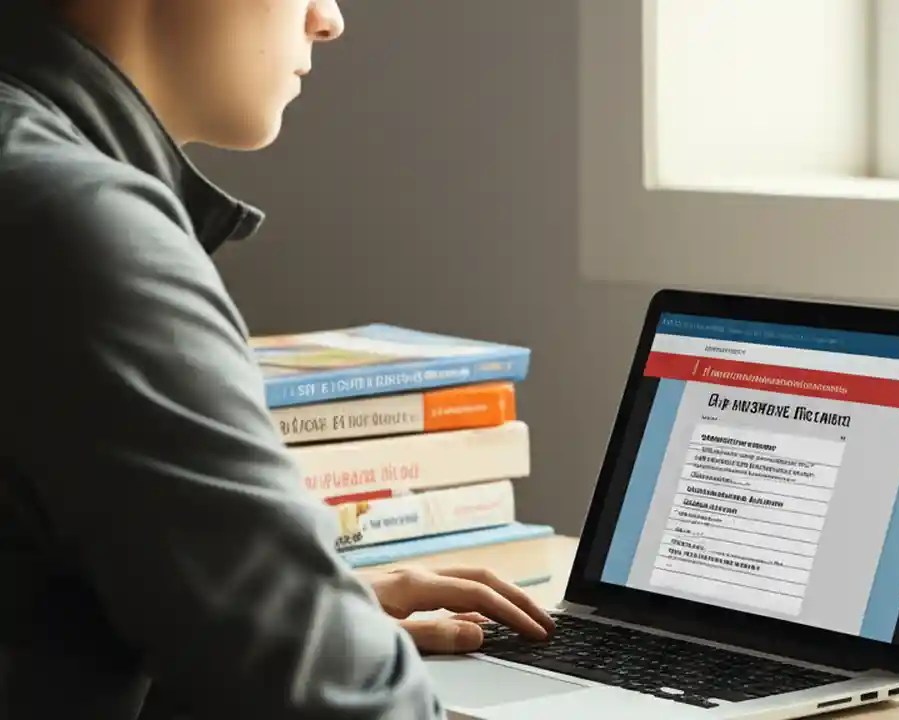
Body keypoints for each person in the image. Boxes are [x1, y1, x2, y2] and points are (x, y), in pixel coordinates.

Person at [0, 1, 555, 718]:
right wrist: (315, 638)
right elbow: (340, 706)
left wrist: (295, 611)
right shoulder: (75, 227)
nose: (329, 19)